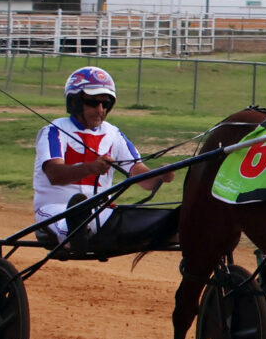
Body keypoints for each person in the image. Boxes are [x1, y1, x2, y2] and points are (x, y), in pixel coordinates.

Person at [33, 66, 173, 247]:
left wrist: (160, 175)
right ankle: (77, 232)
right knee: (71, 224)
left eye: (105, 104)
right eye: (93, 102)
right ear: (74, 102)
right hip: (55, 209)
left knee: (168, 222)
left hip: (99, 213)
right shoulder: (54, 131)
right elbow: (55, 174)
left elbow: (142, 177)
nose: (100, 110)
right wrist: (91, 167)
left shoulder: (113, 134)